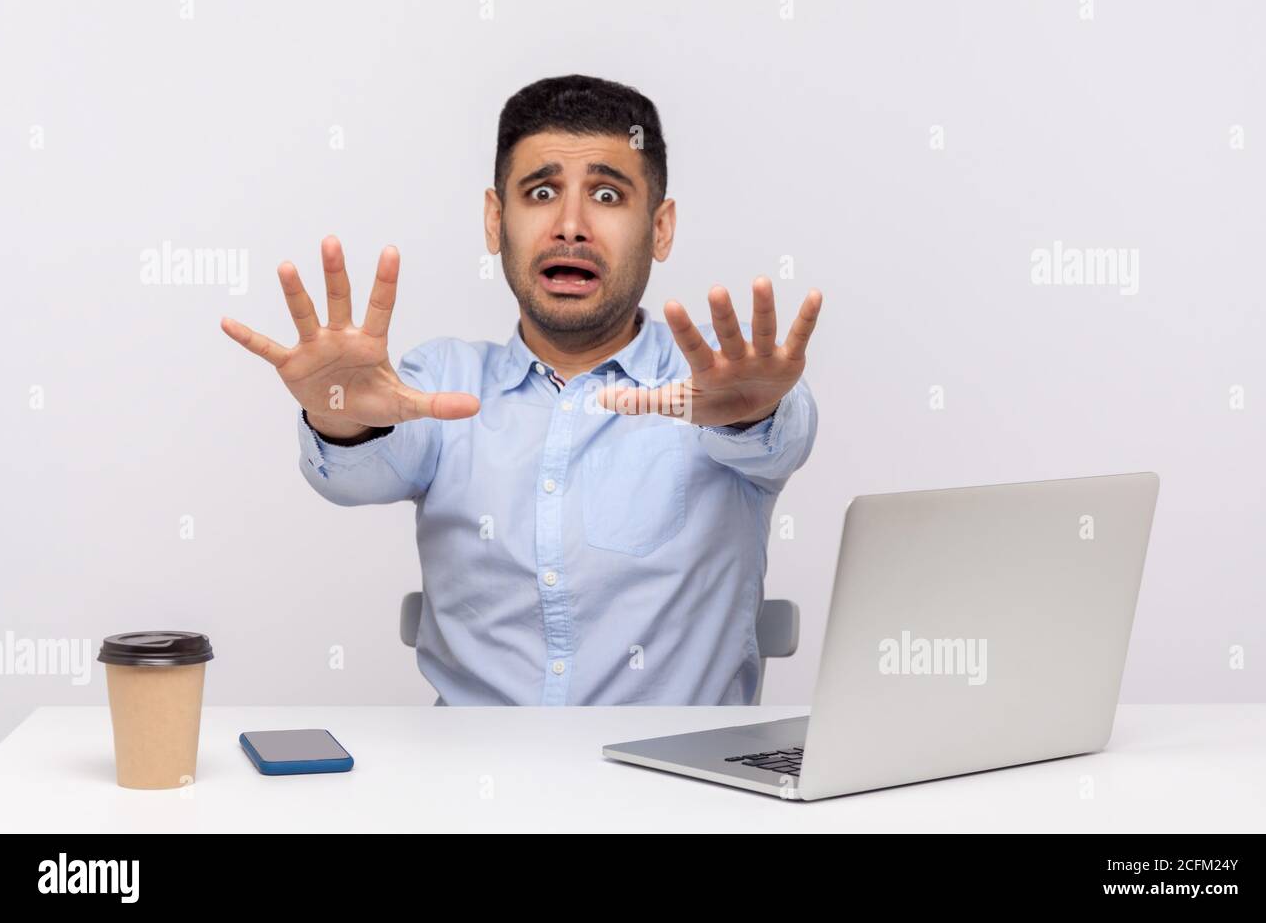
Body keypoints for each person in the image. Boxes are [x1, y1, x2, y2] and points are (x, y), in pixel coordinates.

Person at [221, 74, 822, 705]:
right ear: (495, 219)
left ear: (661, 228)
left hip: (678, 788)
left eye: (608, 195)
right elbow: (354, 476)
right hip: (471, 789)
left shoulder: (721, 377)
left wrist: (750, 416)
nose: (570, 226)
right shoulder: (440, 386)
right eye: (541, 192)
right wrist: (338, 411)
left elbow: (785, 436)